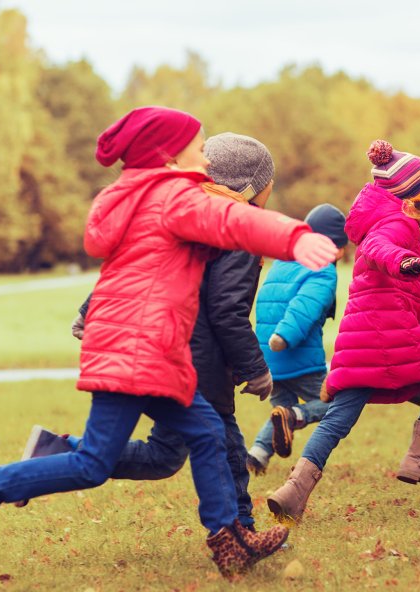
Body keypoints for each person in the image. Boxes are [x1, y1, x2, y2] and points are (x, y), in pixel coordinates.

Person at [0, 107, 338, 578]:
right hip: (139, 351)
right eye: (198, 148)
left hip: (154, 352)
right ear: (170, 156)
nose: (205, 158)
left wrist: (89, 310)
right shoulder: (180, 201)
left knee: (204, 435)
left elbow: (136, 264)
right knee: (94, 463)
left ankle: (230, 541)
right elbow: (239, 225)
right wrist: (296, 237)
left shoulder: (148, 200)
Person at [22, 132, 280, 532]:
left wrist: (89, 310)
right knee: (224, 443)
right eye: (267, 186)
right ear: (249, 188)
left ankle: (55, 452)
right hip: (197, 358)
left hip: (165, 347)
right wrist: (255, 369)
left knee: (163, 456)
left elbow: (138, 264)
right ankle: (238, 530)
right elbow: (227, 310)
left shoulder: (177, 210)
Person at [266, 140, 420, 522]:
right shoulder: (396, 226)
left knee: (337, 419)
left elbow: (413, 293)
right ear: (415, 201)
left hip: (363, 340)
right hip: (388, 333)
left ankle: (294, 490)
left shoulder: (386, 224)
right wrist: (403, 261)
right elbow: (379, 251)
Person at [246, 203, 349, 475]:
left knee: (282, 409)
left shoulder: (282, 263)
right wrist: (284, 336)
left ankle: (256, 455)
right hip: (296, 354)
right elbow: (304, 307)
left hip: (269, 359)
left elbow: (268, 302)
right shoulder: (322, 269)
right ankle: (297, 416)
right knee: (337, 403)